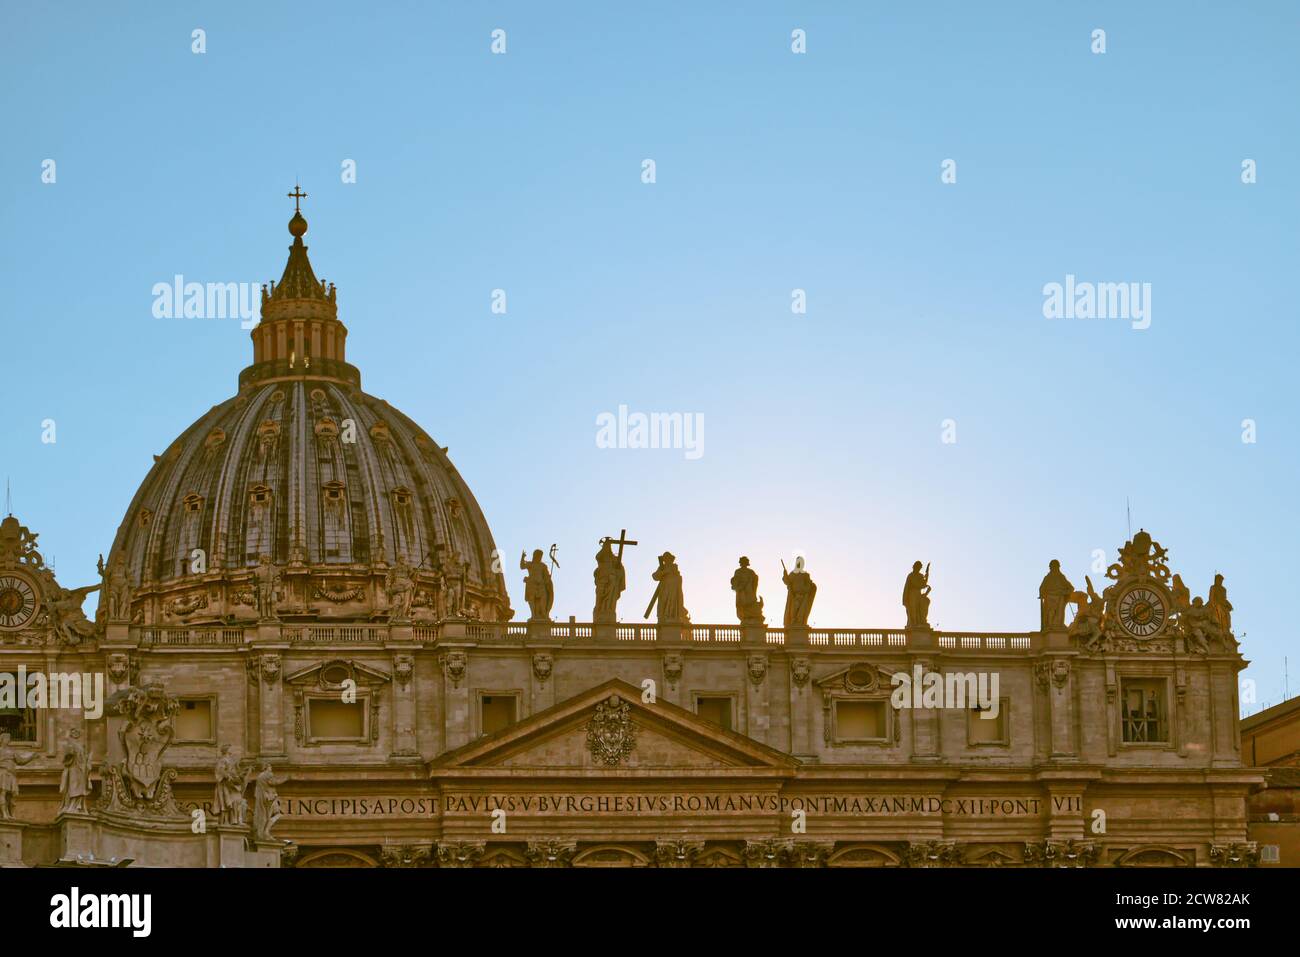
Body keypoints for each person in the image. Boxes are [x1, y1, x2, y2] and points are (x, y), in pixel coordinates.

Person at [1038, 560, 1075, 629]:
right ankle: (1050, 627)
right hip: (1050, 597)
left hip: (1059, 597)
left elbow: (1071, 588)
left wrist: (1064, 592)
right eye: (1051, 567)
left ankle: (1056, 626)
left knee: (1058, 614)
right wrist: (1042, 593)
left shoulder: (1061, 577)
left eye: (1053, 567)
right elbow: (1041, 588)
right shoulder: (1048, 577)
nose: (1051, 568)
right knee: (1050, 613)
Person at [520, 549, 554, 621]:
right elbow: (522, 566)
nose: (540, 557)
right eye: (538, 555)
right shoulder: (530, 564)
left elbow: (546, 576)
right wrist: (522, 557)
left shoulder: (543, 566)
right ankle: (533, 615)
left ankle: (544, 615)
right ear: (535, 556)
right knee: (531, 600)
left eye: (540, 556)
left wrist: (548, 578)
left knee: (543, 602)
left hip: (541, 585)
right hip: (532, 585)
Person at [902, 561, 931, 627]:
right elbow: (906, 587)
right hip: (912, 594)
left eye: (919, 567)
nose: (918, 568)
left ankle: (921, 622)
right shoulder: (910, 575)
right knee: (913, 608)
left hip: (918, 593)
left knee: (921, 606)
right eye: (917, 567)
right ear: (914, 567)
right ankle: (913, 623)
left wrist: (927, 573)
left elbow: (924, 583)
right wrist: (905, 599)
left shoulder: (921, 575)